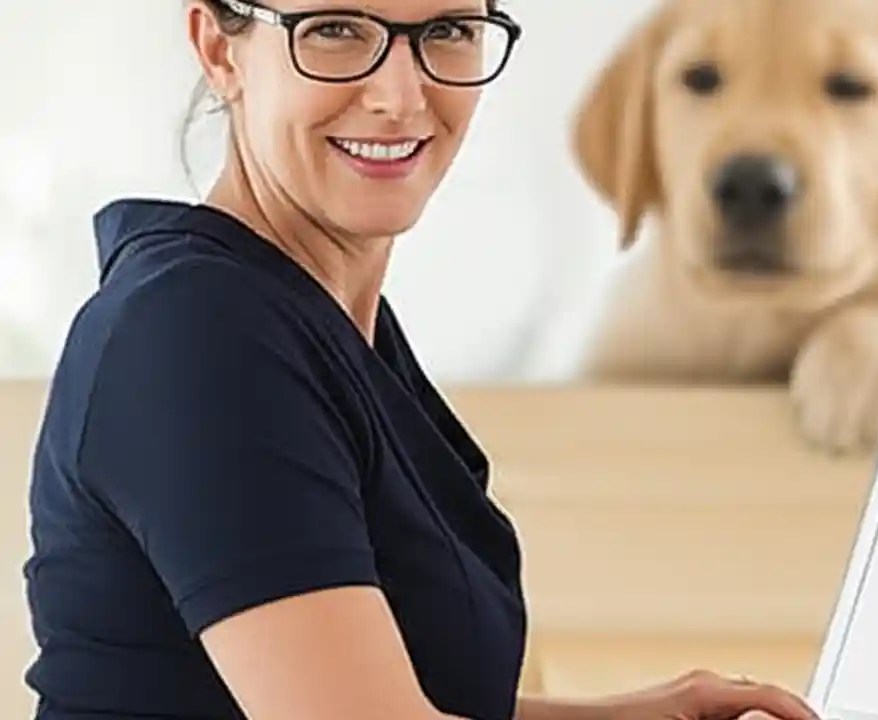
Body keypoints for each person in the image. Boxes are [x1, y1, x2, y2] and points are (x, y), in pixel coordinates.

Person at [21, 1, 824, 719]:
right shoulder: (197, 332)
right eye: (335, 30)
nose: (400, 96)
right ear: (220, 49)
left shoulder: (315, 319)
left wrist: (639, 716)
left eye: (447, 31)